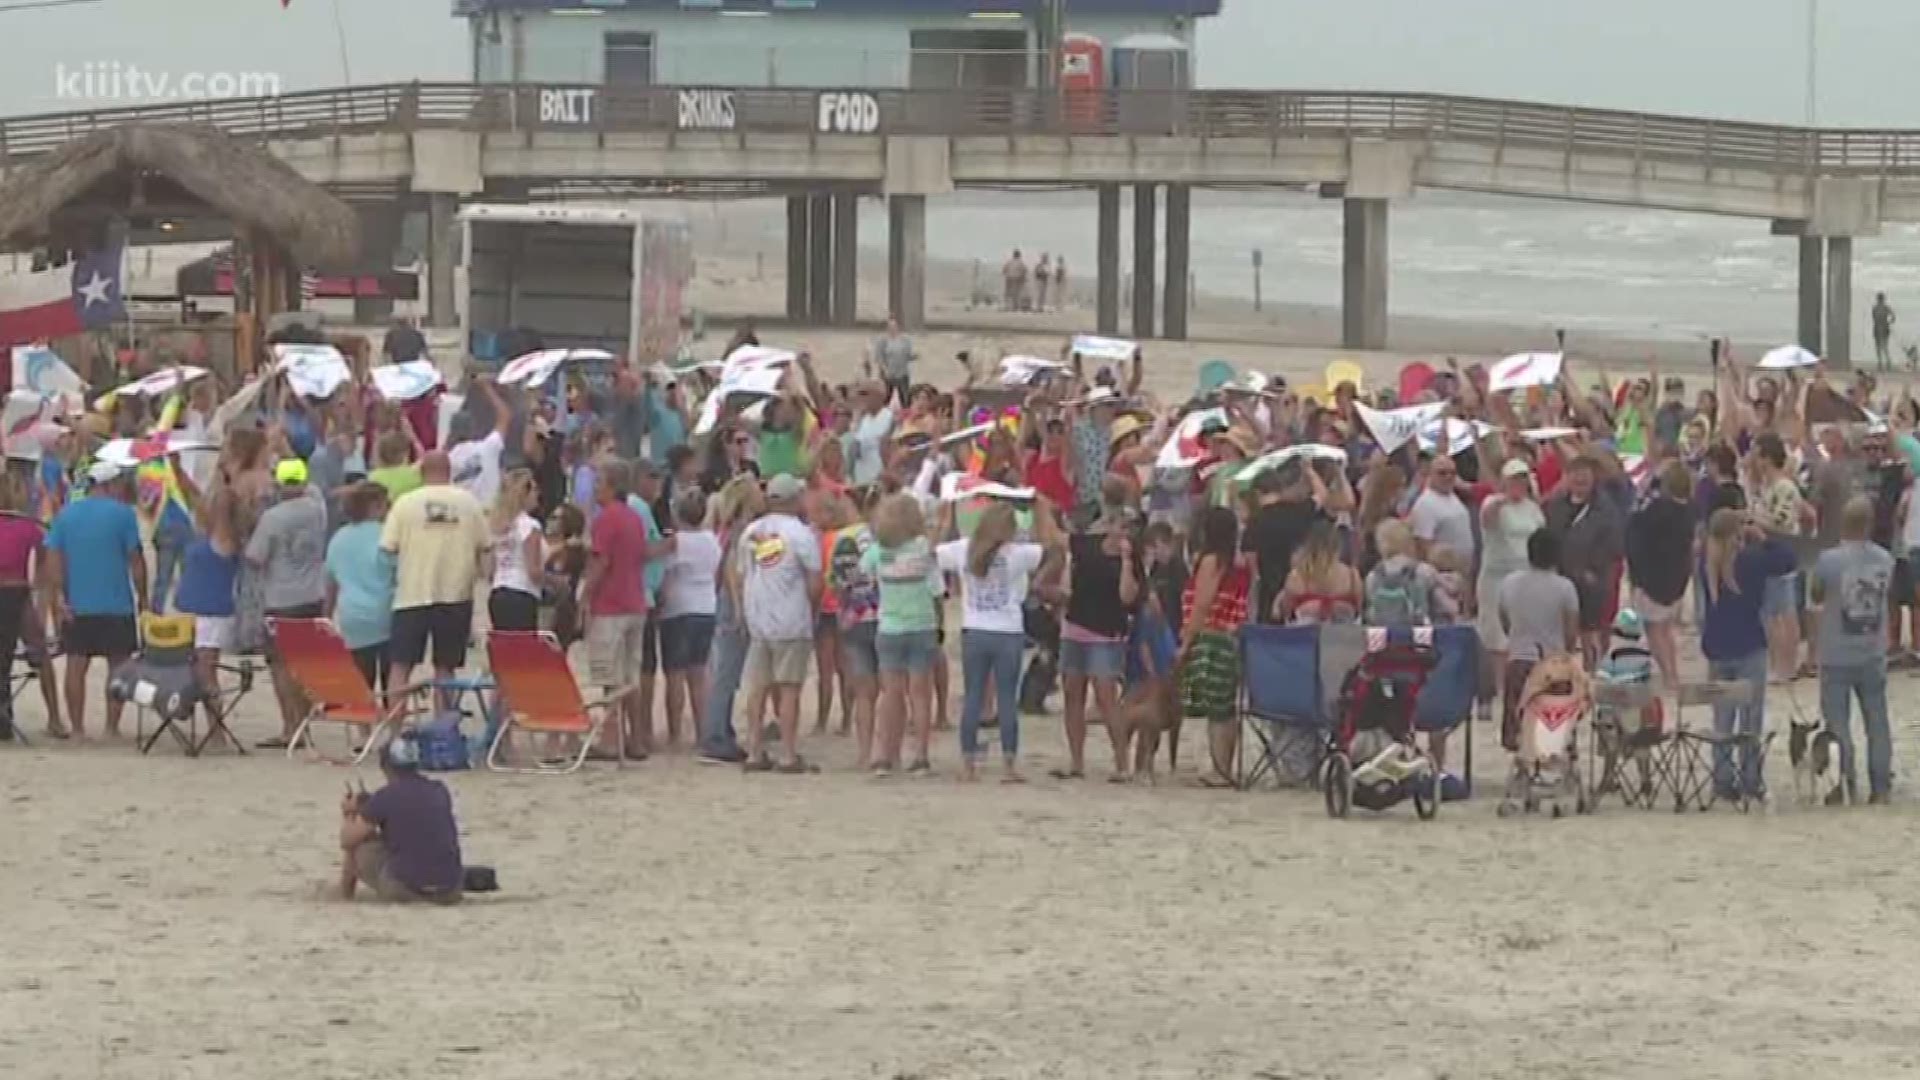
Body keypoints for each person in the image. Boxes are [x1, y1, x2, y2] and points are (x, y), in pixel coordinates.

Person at [936, 499, 1054, 782]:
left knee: (974, 697)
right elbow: (1052, 548)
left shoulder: (964, 549)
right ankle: (1009, 764)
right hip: (1007, 631)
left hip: (975, 629)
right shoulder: (1017, 554)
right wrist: (1040, 511)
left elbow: (935, 551)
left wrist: (946, 516)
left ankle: (968, 764)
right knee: (1006, 699)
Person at [1699, 508, 1797, 802]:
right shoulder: (1752, 560)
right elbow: (1787, 560)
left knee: (1722, 718)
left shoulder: (1706, 564)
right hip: (1750, 642)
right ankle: (1750, 777)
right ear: (1739, 532)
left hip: (1717, 645)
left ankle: (1722, 778)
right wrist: (1764, 537)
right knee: (1750, 716)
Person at [44, 461, 146, 741]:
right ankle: (111, 727)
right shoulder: (124, 515)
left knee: (76, 664)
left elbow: (54, 560)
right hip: (116, 602)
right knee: (119, 666)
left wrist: (60, 597)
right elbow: (135, 560)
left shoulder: (66, 515)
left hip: (78, 601)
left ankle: (77, 728)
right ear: (111, 484)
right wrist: (144, 597)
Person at [1809, 496, 1894, 804]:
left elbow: (1816, 595)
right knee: (1877, 721)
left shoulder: (1829, 560)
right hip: (1872, 650)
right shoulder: (1885, 559)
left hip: (1836, 651)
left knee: (1837, 723)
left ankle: (1844, 783)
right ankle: (1881, 785)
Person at [380, 451, 488, 692]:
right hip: (455, 593)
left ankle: (394, 724)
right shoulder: (469, 502)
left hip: (412, 592)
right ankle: (444, 724)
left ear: (421, 472)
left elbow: (389, 547)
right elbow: (484, 546)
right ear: (449, 471)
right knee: (445, 667)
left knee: (400, 666)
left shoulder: (405, 503)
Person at [737, 473, 822, 773]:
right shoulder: (801, 534)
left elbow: (739, 574)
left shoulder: (750, 532)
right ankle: (787, 752)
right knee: (789, 688)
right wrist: (812, 611)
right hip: (791, 617)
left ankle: (754, 750)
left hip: (758, 617)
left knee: (758, 687)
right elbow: (814, 582)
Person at [247, 458, 330, 747]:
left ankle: (290, 726)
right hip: (312, 595)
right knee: (305, 663)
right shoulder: (317, 510)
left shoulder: (273, 518)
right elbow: (316, 489)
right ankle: (304, 722)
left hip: (281, 598)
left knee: (280, 666)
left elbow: (255, 557)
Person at [1056, 508, 1140, 781]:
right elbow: (1058, 540)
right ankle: (1076, 761)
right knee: (1072, 693)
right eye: (1120, 526)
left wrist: (1127, 562)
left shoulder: (1131, 559)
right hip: (1075, 626)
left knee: (1106, 697)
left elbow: (1128, 598)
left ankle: (1121, 762)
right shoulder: (1087, 546)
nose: (1123, 533)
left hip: (1107, 632)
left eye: (1129, 529)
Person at [864, 491, 943, 777]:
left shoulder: (876, 551)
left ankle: (886, 754)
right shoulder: (923, 548)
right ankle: (921, 755)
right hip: (921, 626)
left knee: (890, 694)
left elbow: (866, 575)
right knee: (920, 695)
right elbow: (937, 591)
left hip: (890, 627)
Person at [335, 734, 464, 904]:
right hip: (450, 890)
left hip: (405, 888)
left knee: (359, 844)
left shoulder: (385, 796)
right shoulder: (439, 790)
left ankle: (345, 894)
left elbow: (347, 840)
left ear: (385, 766)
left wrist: (350, 814)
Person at [582, 458, 651, 761]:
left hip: (610, 605)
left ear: (611, 486)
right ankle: (635, 739)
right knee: (630, 676)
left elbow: (601, 562)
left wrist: (585, 595)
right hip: (635, 601)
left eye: (599, 482)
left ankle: (612, 739)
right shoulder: (634, 517)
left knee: (610, 677)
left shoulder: (606, 518)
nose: (595, 488)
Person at [1180, 506, 1253, 788]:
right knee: (1226, 705)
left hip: (1211, 635)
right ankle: (1225, 765)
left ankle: (1220, 768)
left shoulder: (1211, 561)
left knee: (1215, 709)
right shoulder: (1240, 563)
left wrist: (1186, 641)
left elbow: (1202, 603)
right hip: (1233, 635)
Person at [1497, 528, 1582, 753]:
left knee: (1519, 724)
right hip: (1552, 664)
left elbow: (1505, 622)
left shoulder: (1509, 583)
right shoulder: (1565, 588)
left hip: (1519, 660)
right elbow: (1571, 630)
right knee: (1554, 723)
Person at [1544, 454, 1626, 663]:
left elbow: (1613, 543)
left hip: (1592, 580)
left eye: (1584, 475)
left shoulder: (1605, 507)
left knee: (1591, 632)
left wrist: (1592, 571)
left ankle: (1592, 673)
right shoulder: (1556, 505)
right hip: (1561, 578)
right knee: (1562, 631)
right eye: (1575, 475)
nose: (1580, 480)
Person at [1477, 458, 1545, 710]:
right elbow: (1487, 520)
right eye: (1514, 478)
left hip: (1526, 575)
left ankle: (1521, 686)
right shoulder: (1494, 503)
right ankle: (1498, 688)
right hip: (1497, 577)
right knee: (1496, 635)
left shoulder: (1532, 508)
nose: (1519, 484)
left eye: (1522, 478)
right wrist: (1502, 497)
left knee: (1523, 633)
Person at [658, 490, 720, 749]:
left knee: (675, 674)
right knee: (699, 672)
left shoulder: (674, 542)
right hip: (706, 606)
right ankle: (702, 731)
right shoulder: (711, 539)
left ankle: (675, 734)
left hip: (678, 607)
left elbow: (666, 576)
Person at [1625, 461, 1695, 688]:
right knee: (1665, 629)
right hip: (1676, 577)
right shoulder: (1689, 509)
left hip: (1653, 577)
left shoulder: (1659, 510)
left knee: (1655, 629)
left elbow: (1635, 526)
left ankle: (1669, 675)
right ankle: (1671, 672)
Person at [0, 476, 58, 739]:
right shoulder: (28, 526)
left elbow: (45, 561)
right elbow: (45, 562)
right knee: (40, 653)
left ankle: (55, 718)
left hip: (17, 591)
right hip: (18, 591)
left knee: (39, 652)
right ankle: (54, 717)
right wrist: (39, 589)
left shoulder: (28, 526)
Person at [1751, 432, 1811, 682]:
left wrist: (1754, 520)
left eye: (1756, 454)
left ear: (1766, 458)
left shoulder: (1784, 487)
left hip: (1780, 550)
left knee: (1782, 613)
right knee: (1775, 610)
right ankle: (1779, 663)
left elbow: (1783, 523)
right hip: (1769, 550)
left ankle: (1785, 666)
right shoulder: (1768, 486)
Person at [325, 482, 396, 693]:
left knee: (361, 681)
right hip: (386, 613)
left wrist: (327, 616)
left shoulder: (339, 538)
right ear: (375, 507)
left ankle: (364, 725)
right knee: (391, 678)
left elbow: (331, 582)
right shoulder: (386, 535)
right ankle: (392, 724)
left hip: (352, 616)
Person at [1242, 462, 1326, 624]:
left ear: (1258, 492)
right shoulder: (1299, 511)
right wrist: (1309, 470)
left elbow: (1251, 565)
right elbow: (1322, 494)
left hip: (1269, 589)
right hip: (1303, 588)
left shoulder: (1255, 522)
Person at [486, 468, 544, 635]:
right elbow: (533, 570)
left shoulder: (499, 525)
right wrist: (551, 581)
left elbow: (490, 570)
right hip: (522, 592)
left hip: (498, 591)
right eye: (534, 490)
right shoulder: (530, 525)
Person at [1277, 519, 1361, 624]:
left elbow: (1286, 613)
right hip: (1344, 636)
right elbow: (1359, 610)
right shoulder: (1352, 576)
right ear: (1338, 544)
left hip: (1305, 636)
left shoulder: (1297, 576)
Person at [446, 376, 510, 507]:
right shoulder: (488, 447)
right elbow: (505, 415)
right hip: (488, 512)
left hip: (461, 514)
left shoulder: (445, 459)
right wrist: (487, 389)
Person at [871, 317, 917, 408]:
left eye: (895, 326)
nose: (893, 328)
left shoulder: (905, 340)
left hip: (903, 373)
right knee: (885, 398)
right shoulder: (882, 340)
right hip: (888, 374)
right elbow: (879, 358)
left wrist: (913, 357)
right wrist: (884, 370)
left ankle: (905, 414)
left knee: (905, 397)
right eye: (890, 326)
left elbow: (907, 356)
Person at [1872, 292, 1896, 372]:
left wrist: (1889, 321)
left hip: (1878, 328)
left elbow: (1874, 318)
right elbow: (1893, 317)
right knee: (1883, 346)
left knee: (1880, 346)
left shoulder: (1876, 308)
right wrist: (1889, 322)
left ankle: (1882, 363)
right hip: (1883, 327)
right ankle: (1885, 362)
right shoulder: (1885, 307)